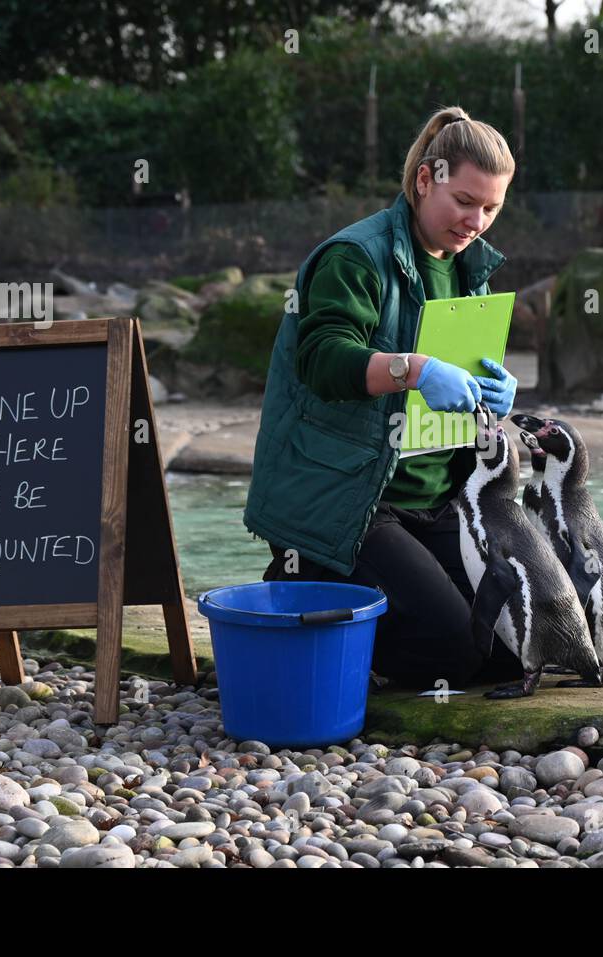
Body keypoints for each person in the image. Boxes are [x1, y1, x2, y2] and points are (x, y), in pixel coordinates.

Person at [244, 105, 523, 691]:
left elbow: (461, 383)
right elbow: (322, 360)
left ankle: (360, 607)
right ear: (425, 179)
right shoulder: (354, 256)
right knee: (454, 652)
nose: (475, 221)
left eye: (491, 208)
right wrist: (413, 369)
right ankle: (303, 585)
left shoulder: (472, 268)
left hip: (437, 500)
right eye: (464, 201)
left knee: (516, 643)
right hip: (350, 502)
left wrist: (495, 395)